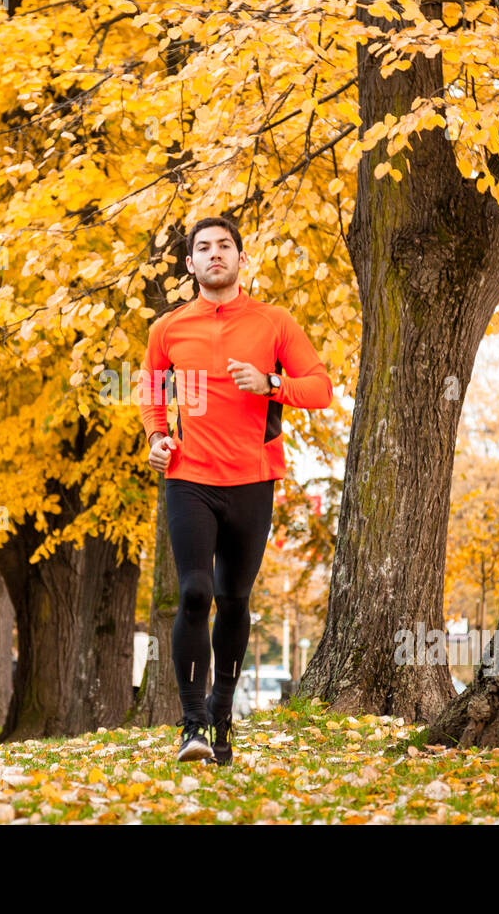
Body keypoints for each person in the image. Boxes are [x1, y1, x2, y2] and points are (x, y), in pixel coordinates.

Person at [137, 216, 333, 764]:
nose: (215, 254)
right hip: (189, 478)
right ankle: (192, 724)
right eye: (204, 247)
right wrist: (156, 436)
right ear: (190, 264)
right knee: (195, 592)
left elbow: (321, 387)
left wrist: (272, 384)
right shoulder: (168, 329)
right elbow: (151, 389)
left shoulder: (274, 323)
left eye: (225, 246)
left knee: (234, 599)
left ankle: (222, 717)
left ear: (240, 259)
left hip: (252, 479)